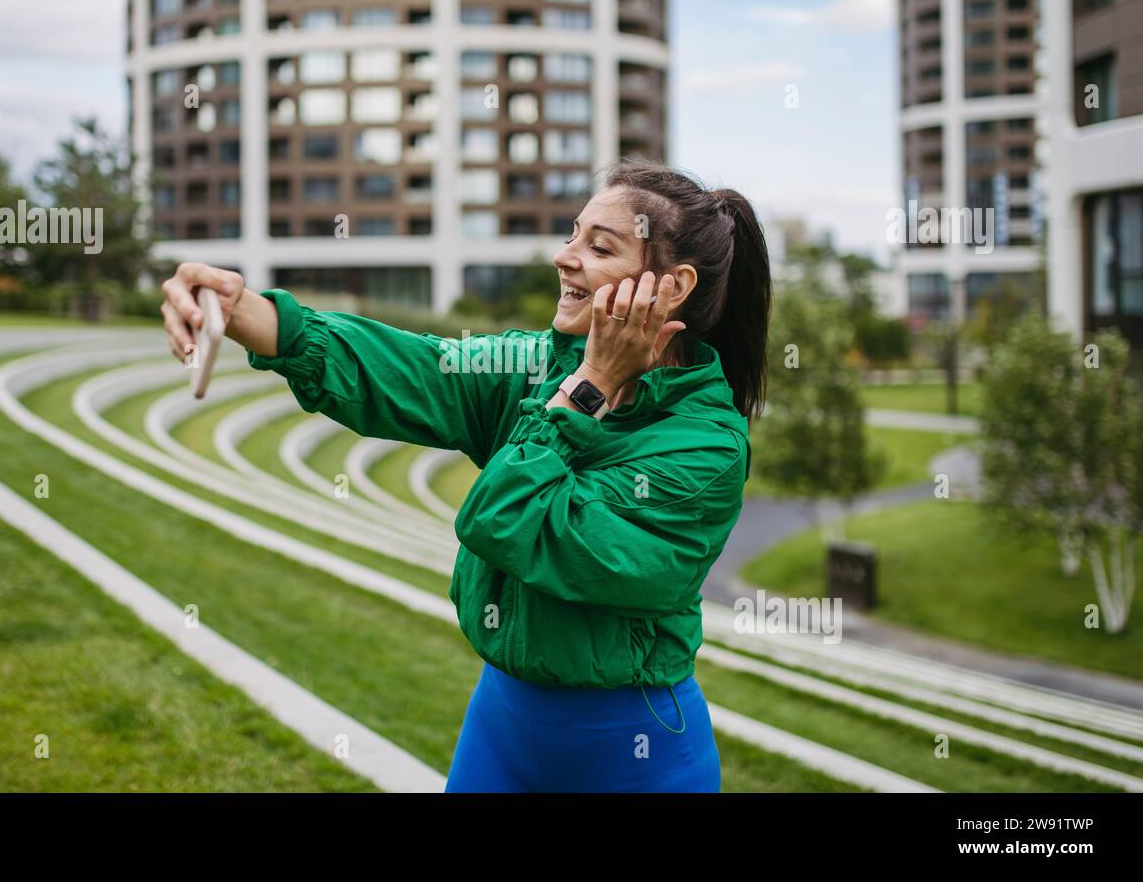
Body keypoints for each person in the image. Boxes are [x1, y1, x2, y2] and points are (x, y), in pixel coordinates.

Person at [160, 158, 772, 792]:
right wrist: (247, 312)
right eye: (572, 235)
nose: (565, 258)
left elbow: (508, 518)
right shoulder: (535, 363)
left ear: (670, 288)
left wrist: (586, 389)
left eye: (599, 247)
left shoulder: (706, 449)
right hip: (501, 730)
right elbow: (417, 367)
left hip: (631, 757)